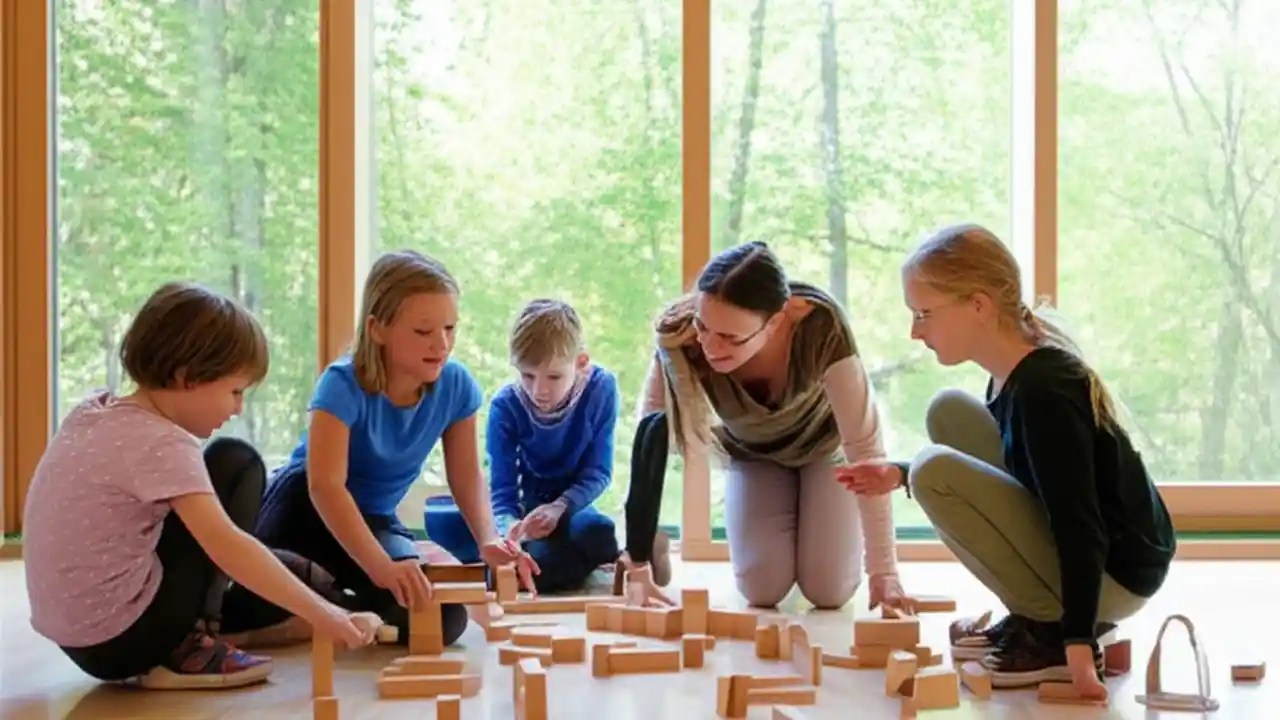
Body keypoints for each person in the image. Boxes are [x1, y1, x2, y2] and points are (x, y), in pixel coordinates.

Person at [839, 223, 1175, 699]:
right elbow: (1029, 474)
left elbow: (1079, 524)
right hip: (1102, 559)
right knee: (947, 412)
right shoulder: (1011, 376)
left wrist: (1078, 646)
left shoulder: (1044, 393)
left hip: (1115, 576)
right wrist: (898, 474)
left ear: (978, 306)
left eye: (924, 314)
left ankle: (1050, 632)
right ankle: (1046, 618)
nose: (915, 331)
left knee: (935, 469)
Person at [22, 282, 375, 690]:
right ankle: (190, 649)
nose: (238, 407)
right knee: (235, 463)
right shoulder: (163, 442)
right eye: (235, 391)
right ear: (187, 377)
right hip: (126, 638)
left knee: (270, 571)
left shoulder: (93, 412)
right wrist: (327, 618)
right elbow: (226, 544)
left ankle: (244, 609)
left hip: (78, 640)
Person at [253, 250, 537, 648]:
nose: (441, 344)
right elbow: (325, 486)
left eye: (450, 329)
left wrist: (488, 539)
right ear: (377, 328)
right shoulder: (341, 383)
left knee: (443, 620)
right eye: (423, 332)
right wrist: (380, 566)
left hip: (373, 518)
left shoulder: (455, 386)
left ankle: (331, 606)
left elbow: (466, 475)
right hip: (302, 511)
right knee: (275, 590)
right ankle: (318, 603)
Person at [626, 240, 908, 610]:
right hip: (753, 453)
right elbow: (651, 437)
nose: (710, 346)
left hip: (827, 453)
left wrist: (884, 573)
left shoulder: (821, 326)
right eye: (704, 326)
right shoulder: (681, 334)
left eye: (730, 337)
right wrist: (638, 562)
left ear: (774, 322)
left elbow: (866, 447)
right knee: (762, 589)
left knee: (829, 591)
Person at [476, 299, 621, 593]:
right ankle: (587, 568)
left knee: (600, 532)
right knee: (512, 567)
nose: (539, 391)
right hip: (530, 517)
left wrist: (560, 507)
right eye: (527, 376)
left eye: (554, 377)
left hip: (574, 507)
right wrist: (511, 533)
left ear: (581, 364)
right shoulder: (506, 406)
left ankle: (575, 565)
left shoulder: (601, 388)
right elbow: (502, 491)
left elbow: (599, 471)